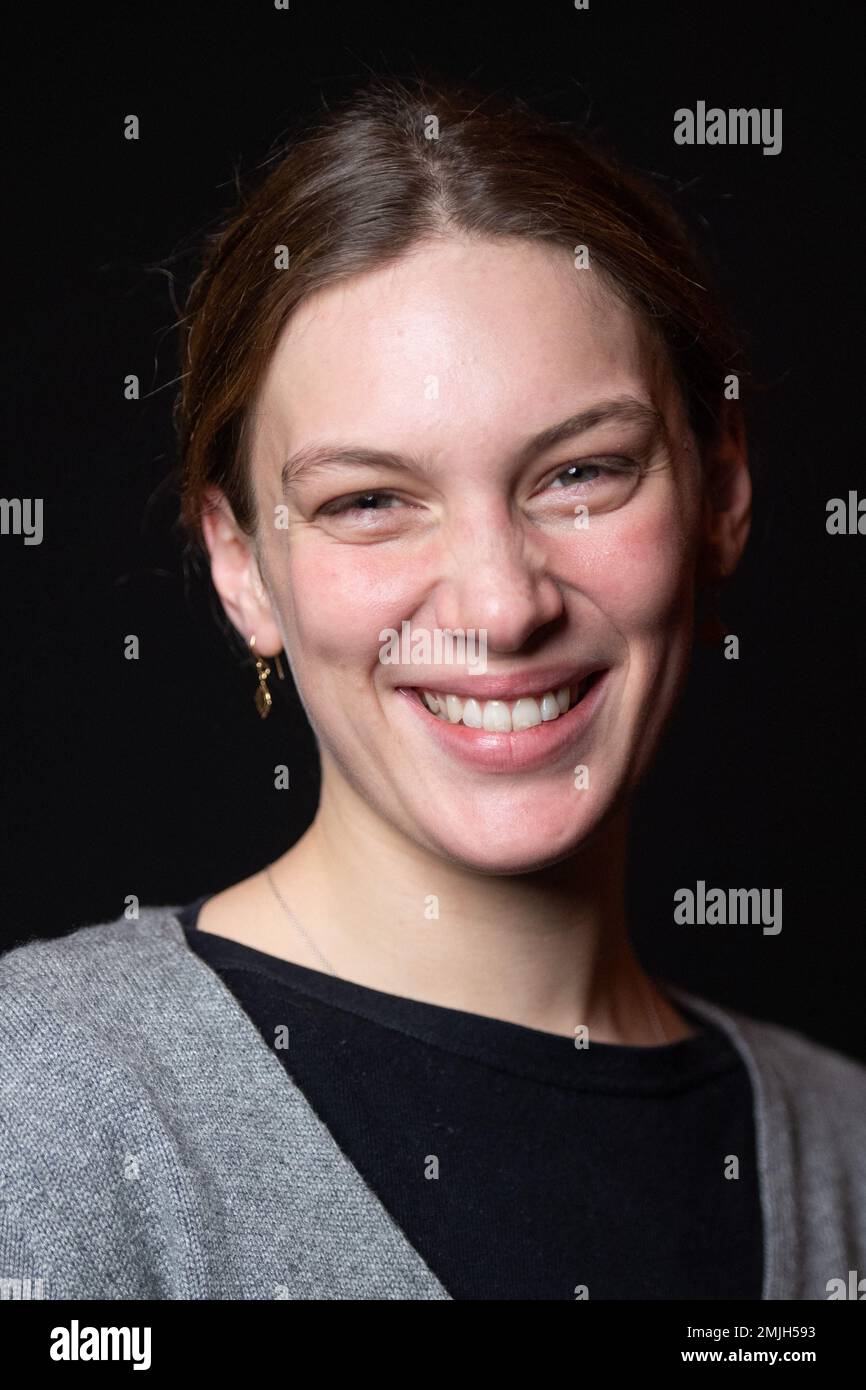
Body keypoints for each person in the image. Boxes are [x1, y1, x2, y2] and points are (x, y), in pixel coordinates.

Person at [2, 75, 864, 1302]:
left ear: (720, 496)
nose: (501, 607)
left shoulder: (848, 1146)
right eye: (367, 501)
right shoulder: (44, 1108)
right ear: (241, 563)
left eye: (580, 473)